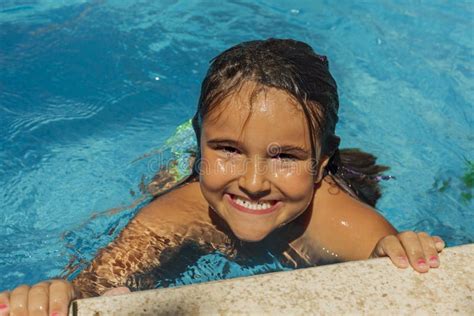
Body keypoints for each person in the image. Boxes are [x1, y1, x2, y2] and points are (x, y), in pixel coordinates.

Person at [0, 39, 445, 316]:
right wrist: (57, 294)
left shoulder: (342, 225)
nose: (253, 182)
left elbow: (390, 280)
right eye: (228, 149)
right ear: (202, 148)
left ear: (321, 164)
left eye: (284, 156)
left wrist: (393, 249)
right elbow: (90, 289)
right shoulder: (179, 211)